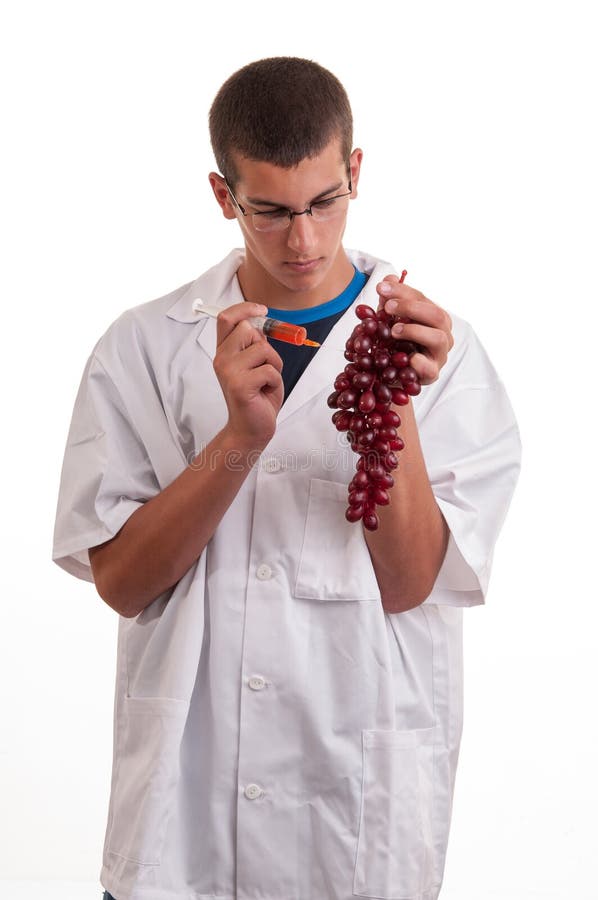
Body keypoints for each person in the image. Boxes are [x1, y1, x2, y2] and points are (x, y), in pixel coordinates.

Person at [52, 57, 521, 900]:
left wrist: (394, 399)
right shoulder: (144, 347)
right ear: (222, 194)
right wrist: (239, 438)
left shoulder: (442, 354)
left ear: (355, 172)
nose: (302, 240)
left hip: (358, 808)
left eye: (323, 203)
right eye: (268, 211)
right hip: (181, 824)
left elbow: (412, 580)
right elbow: (120, 582)